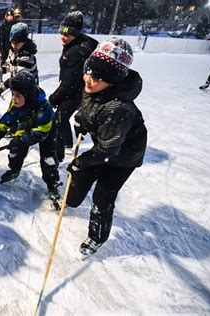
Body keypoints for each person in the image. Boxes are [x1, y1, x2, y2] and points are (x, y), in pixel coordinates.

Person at [65, 38, 147, 257]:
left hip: (125, 155)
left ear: (113, 80)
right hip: (108, 144)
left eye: (98, 77)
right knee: (80, 174)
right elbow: (88, 108)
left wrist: (82, 160)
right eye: (87, 71)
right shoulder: (93, 87)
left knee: (103, 194)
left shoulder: (118, 108)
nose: (88, 79)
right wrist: (81, 121)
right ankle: (68, 202)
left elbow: (108, 151)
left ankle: (97, 237)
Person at [0, 71, 61, 199]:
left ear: (27, 95)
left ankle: (52, 184)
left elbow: (41, 133)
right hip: (26, 123)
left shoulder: (44, 108)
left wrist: (22, 140)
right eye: (12, 94)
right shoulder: (16, 104)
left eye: (17, 95)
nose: (13, 98)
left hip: (46, 130)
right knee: (15, 149)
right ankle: (15, 169)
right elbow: (3, 124)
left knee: (48, 159)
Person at [49, 11, 98, 161]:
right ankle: (67, 144)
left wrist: (53, 98)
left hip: (76, 91)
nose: (63, 37)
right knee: (61, 116)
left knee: (59, 117)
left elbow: (70, 82)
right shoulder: (74, 44)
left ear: (76, 34)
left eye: (68, 34)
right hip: (72, 88)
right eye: (62, 33)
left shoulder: (77, 51)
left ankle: (61, 151)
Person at [0, 22, 39, 101]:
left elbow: (17, 79)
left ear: (24, 41)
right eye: (12, 42)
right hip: (18, 92)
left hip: (28, 94)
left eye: (17, 43)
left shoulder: (27, 57)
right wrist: (1, 70)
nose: (14, 45)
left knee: (17, 113)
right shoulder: (13, 51)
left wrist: (0, 89)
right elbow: (9, 65)